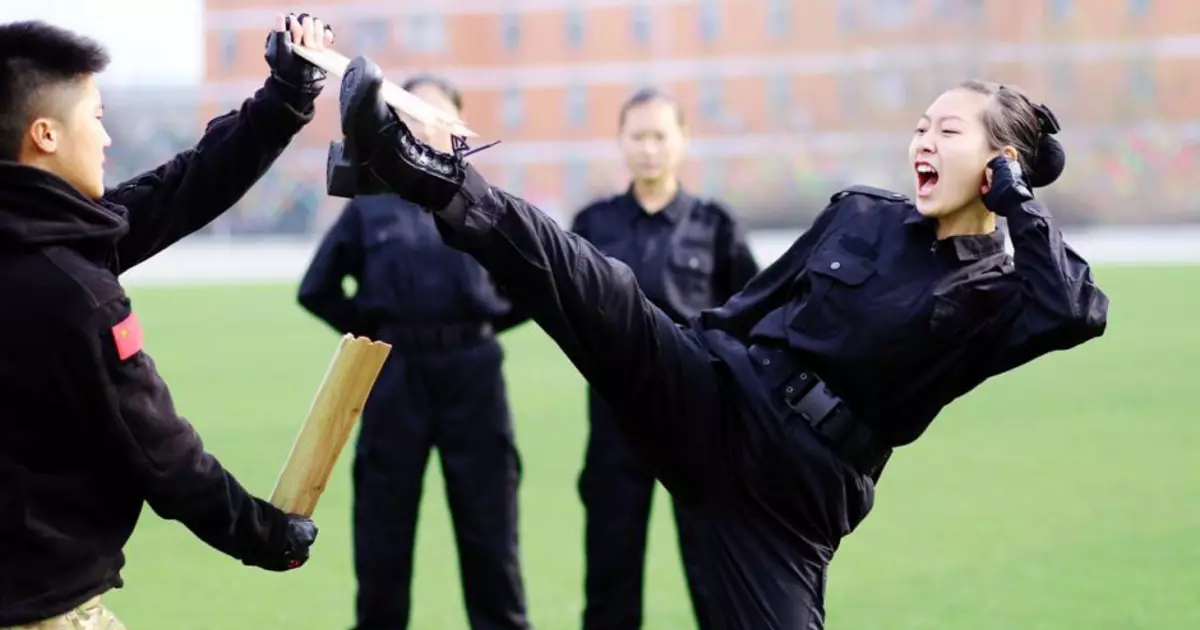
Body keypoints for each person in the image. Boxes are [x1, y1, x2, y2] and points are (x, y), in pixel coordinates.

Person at [329, 56, 1109, 630]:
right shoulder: (862, 212)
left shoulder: (1000, 294)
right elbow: (752, 302)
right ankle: (416, 169)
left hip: (790, 501)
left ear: (998, 163)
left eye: (947, 131)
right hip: (719, 390)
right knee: (592, 283)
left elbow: (1077, 308)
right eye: (919, 128)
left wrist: (1017, 204)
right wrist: (665, 348)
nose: (923, 143)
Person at [0, 14, 334, 629]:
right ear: (45, 134)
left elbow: (175, 192)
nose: (105, 140)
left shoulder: (48, 244)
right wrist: (269, 536)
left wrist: (284, 100)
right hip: (40, 609)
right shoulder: (77, 293)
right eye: (95, 118)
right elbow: (166, 457)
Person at [297, 73, 534, 630]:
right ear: (396, 122)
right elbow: (317, 288)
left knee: (490, 534)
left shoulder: (487, 204)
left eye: (439, 114)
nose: (426, 124)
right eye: (413, 112)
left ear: (458, 127)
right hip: (394, 378)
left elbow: (532, 283)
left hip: (473, 378)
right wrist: (374, 337)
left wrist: (486, 326)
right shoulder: (370, 207)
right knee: (384, 535)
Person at [569, 88, 759, 630]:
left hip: (695, 412)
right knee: (610, 568)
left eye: (660, 136)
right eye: (638, 136)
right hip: (614, 416)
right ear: (621, 142)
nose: (649, 148)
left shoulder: (715, 225)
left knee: (712, 570)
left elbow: (750, 311)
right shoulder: (593, 223)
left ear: (681, 142)